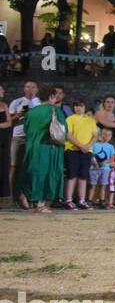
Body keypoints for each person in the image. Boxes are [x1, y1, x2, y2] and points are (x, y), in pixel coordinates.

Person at [18, 85, 66, 213]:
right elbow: (62, 130)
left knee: (33, 173)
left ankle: (26, 195)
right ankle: (40, 204)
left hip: (32, 146)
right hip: (48, 147)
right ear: (52, 96)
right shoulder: (54, 110)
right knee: (46, 174)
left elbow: (26, 129)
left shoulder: (31, 112)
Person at [8, 80, 41, 207]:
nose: (30, 89)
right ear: (24, 89)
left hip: (33, 138)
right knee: (14, 166)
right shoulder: (17, 102)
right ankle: (11, 196)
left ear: (37, 89)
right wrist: (20, 114)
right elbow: (8, 119)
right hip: (18, 136)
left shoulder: (39, 103)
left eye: (33, 87)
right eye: (28, 87)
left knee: (30, 167)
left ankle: (29, 195)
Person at [62, 98, 96, 210]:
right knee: (71, 175)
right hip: (72, 150)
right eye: (76, 105)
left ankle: (81, 200)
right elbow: (69, 135)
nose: (78, 108)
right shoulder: (70, 119)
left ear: (85, 107)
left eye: (81, 105)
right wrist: (81, 146)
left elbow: (95, 135)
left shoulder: (90, 120)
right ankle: (68, 200)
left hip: (87, 151)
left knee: (83, 176)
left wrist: (88, 146)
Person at [89, 128, 115, 208]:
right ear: (100, 135)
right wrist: (95, 163)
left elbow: (112, 158)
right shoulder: (94, 145)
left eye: (109, 135)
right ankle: (89, 200)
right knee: (92, 184)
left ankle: (102, 200)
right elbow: (91, 155)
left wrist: (106, 162)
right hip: (93, 168)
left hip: (105, 169)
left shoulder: (111, 147)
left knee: (103, 185)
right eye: (105, 134)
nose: (107, 137)